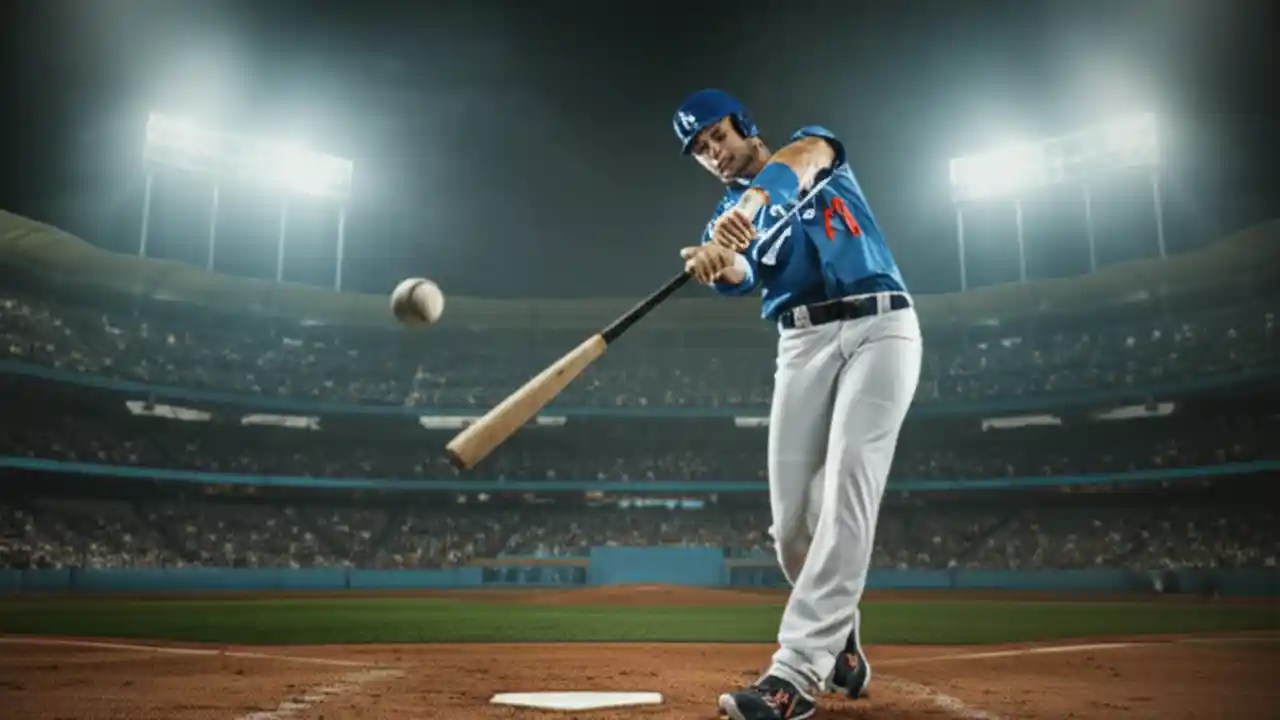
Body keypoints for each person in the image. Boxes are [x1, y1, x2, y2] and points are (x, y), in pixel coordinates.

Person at [674, 89, 922, 720]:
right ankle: (841, 638)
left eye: (718, 136)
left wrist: (750, 207)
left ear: (745, 125)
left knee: (848, 488)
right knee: (790, 530)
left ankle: (794, 676)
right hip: (801, 343)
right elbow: (740, 273)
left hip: (881, 327)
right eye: (700, 149)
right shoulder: (721, 221)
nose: (713, 152)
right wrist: (717, 261)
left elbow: (803, 159)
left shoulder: (811, 148)